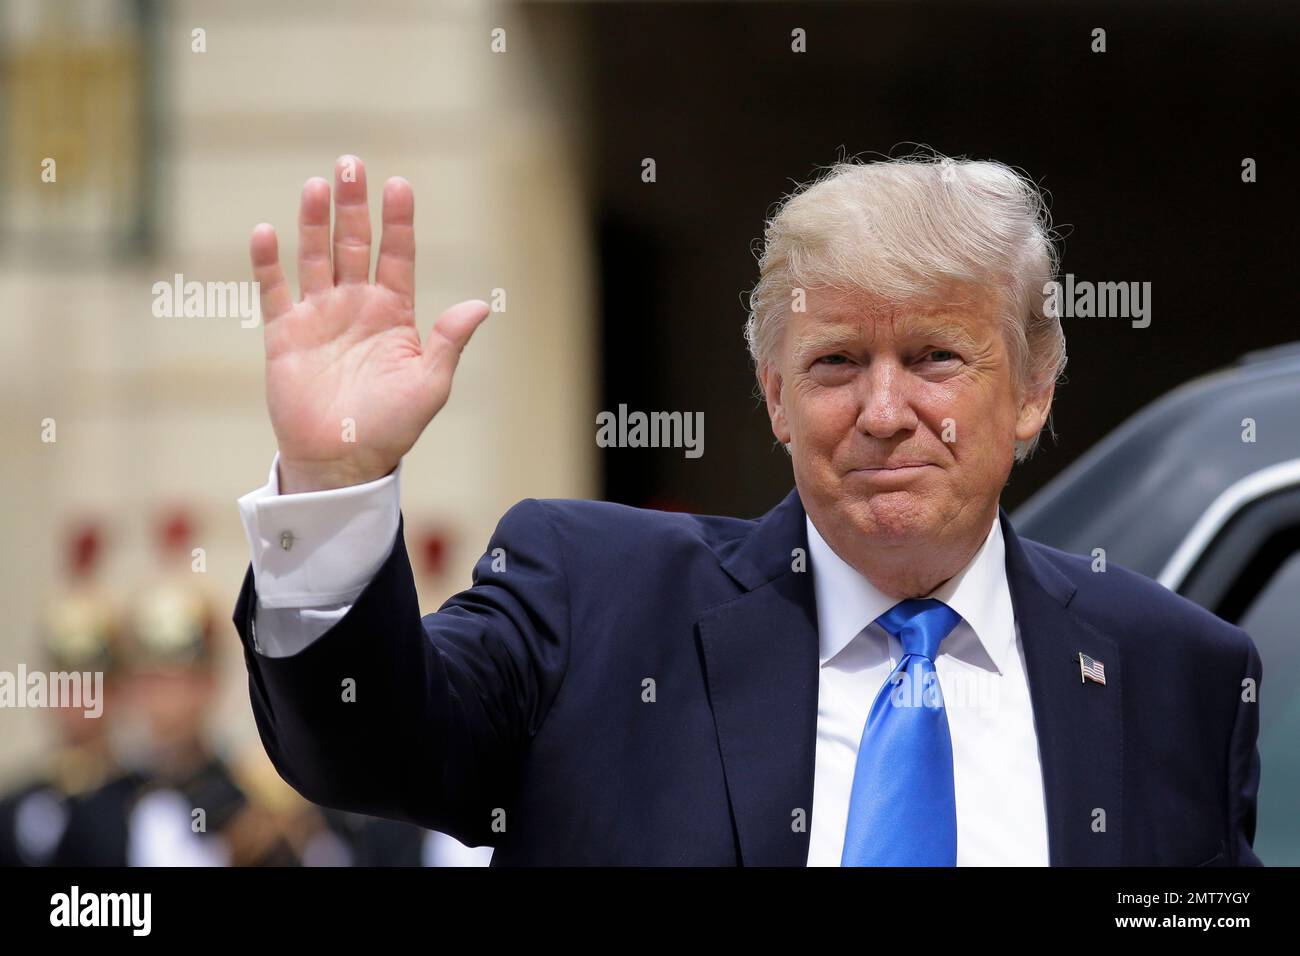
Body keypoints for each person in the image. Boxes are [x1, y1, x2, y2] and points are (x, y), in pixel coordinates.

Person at [233, 152, 1263, 865]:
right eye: (836, 362)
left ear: (1033, 386)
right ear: (774, 394)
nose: (884, 410)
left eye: (936, 357)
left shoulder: (1177, 673)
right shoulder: (596, 598)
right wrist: (333, 482)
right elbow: (362, 744)